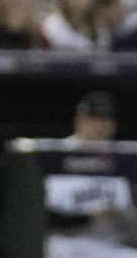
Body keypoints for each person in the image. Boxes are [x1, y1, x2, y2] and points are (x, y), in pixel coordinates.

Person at [45, 92, 137, 258]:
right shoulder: (57, 154)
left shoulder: (123, 158)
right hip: (66, 243)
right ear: (78, 120)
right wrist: (91, 217)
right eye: (93, 119)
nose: (100, 126)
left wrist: (124, 216)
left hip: (109, 245)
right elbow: (46, 219)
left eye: (106, 120)